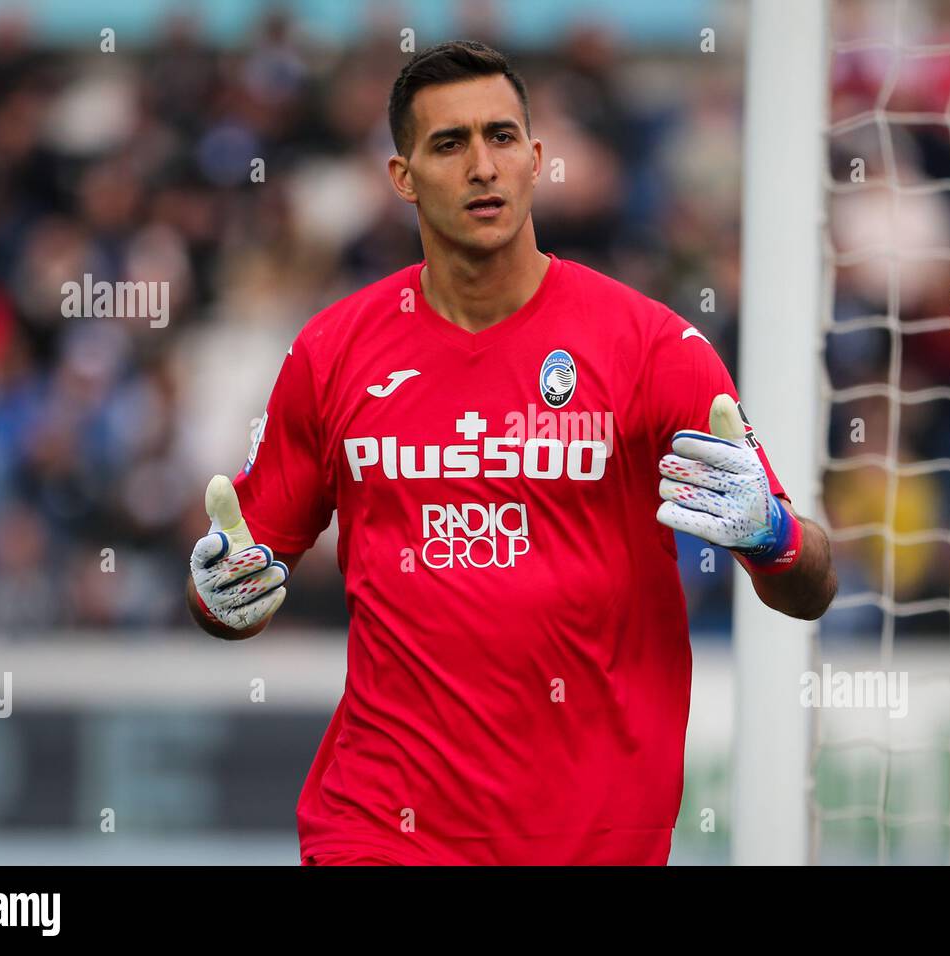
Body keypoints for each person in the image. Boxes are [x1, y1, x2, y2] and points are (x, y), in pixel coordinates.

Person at [185, 39, 837, 866]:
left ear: (536, 160)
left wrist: (771, 533)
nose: (481, 166)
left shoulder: (652, 349)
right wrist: (215, 596)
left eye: (500, 138)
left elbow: (809, 590)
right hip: (380, 829)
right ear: (403, 177)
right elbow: (241, 579)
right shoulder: (333, 353)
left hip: (591, 838)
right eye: (449, 144)